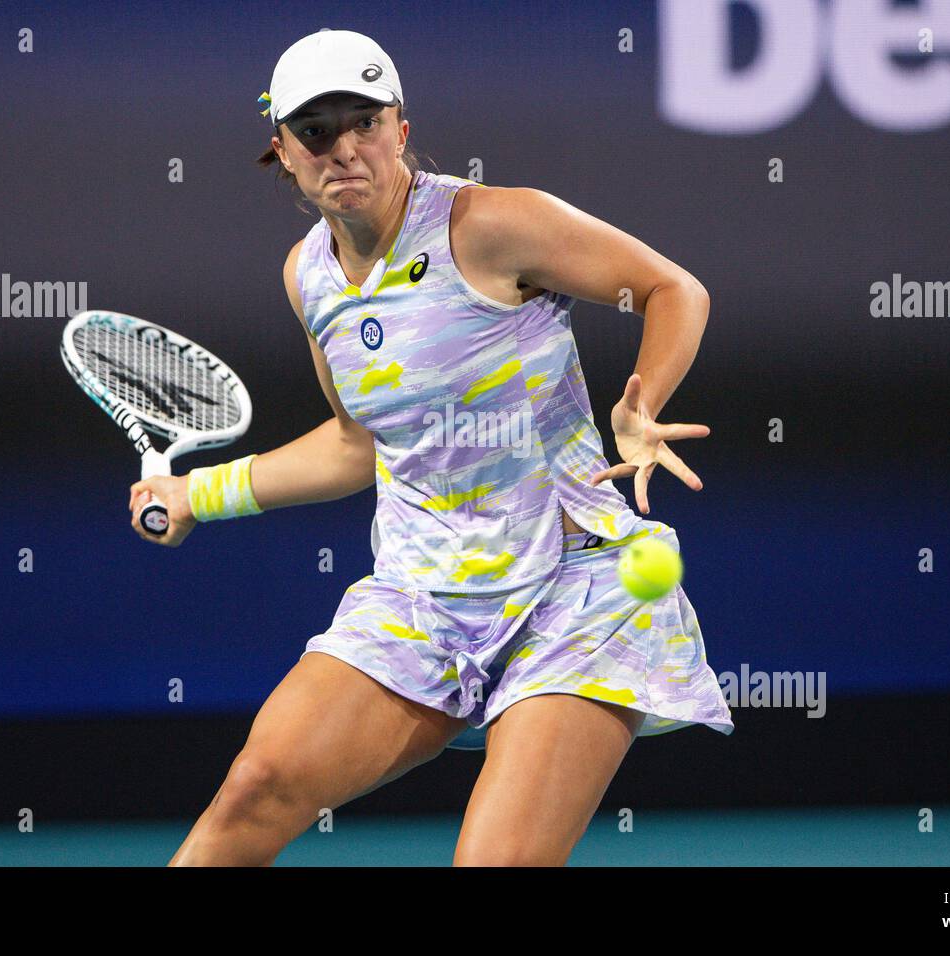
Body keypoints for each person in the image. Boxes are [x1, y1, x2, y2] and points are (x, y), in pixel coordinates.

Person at [129, 29, 733, 866]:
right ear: (284, 153)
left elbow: (674, 289)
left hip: (579, 586)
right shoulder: (308, 277)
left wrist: (643, 403)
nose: (344, 148)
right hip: (424, 596)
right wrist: (203, 493)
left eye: (363, 122)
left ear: (400, 128)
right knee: (254, 788)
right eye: (316, 131)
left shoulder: (492, 225)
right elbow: (353, 444)